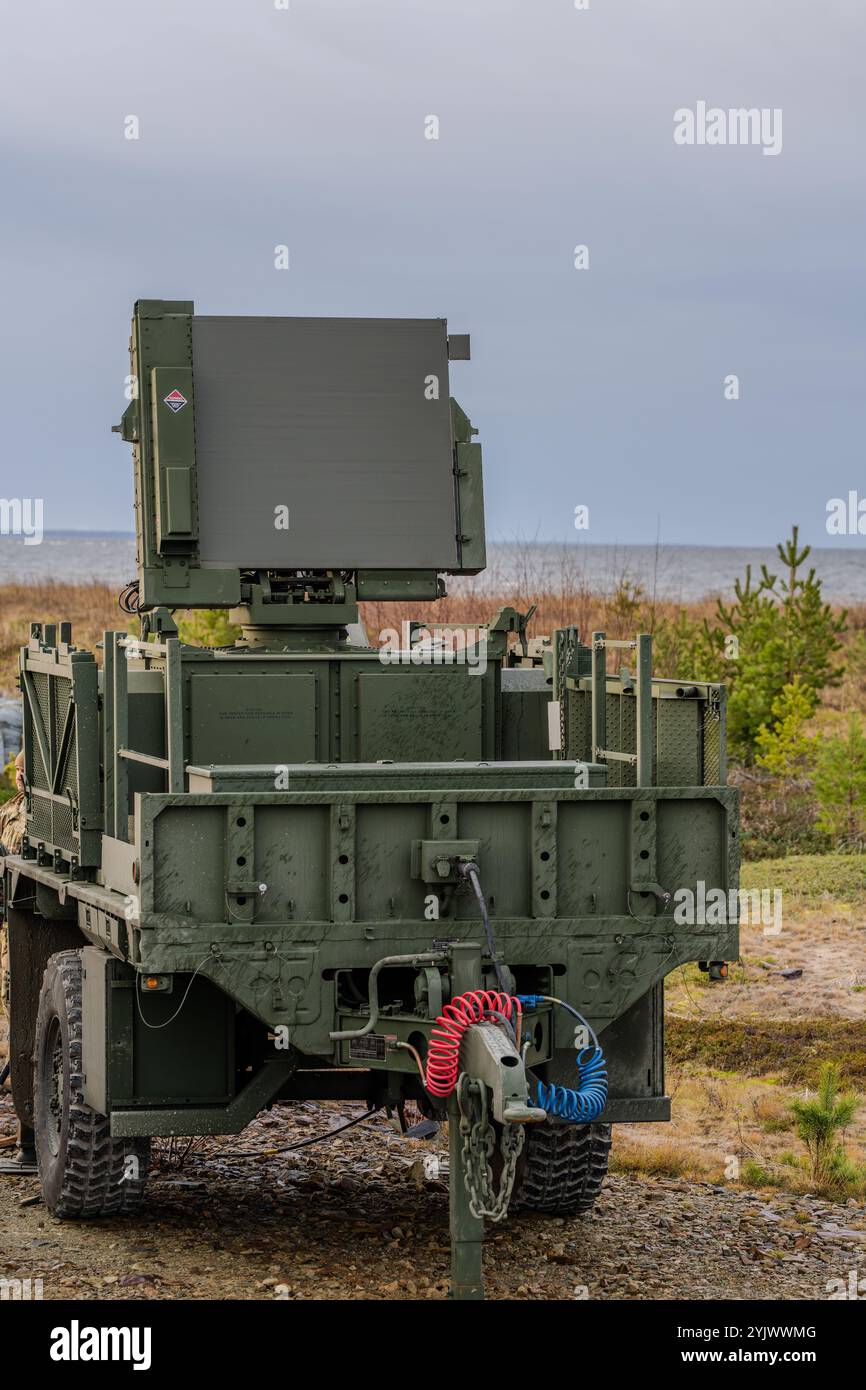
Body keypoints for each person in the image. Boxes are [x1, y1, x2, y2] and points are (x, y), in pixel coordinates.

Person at [0, 751, 35, 1174]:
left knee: (27, 1038)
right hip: (14, 942)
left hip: (28, 941)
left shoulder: (43, 817)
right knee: (21, 1034)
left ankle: (30, 1145)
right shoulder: (10, 814)